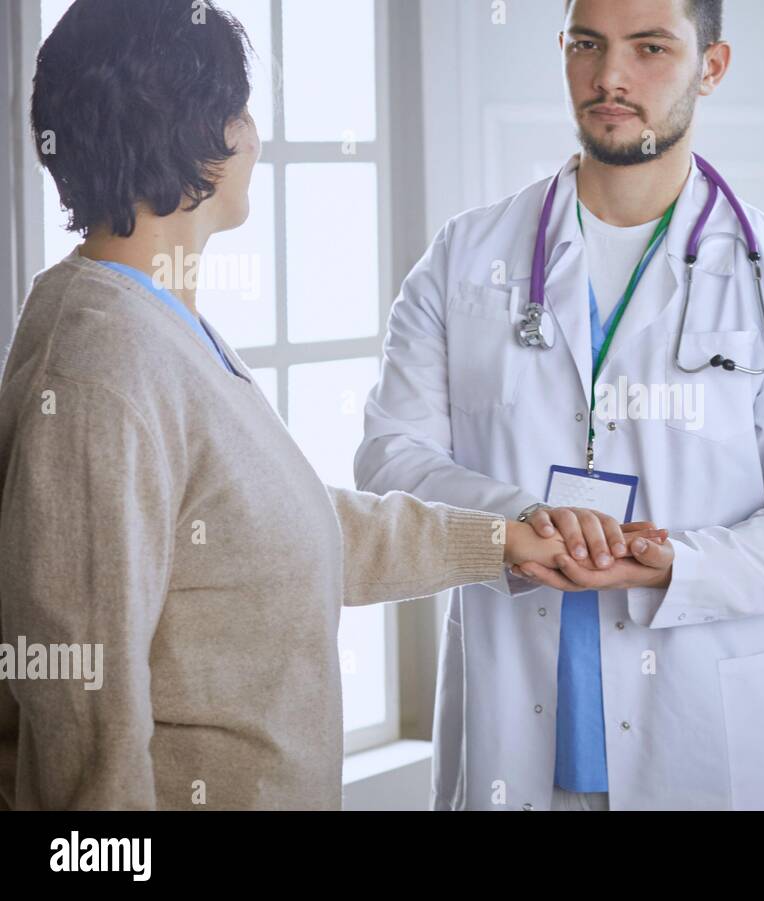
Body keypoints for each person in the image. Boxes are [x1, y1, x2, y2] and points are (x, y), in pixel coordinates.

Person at [0, 0, 609, 811]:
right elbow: (83, 731)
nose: (253, 135)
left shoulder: (155, 321)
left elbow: (276, 530)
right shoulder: (101, 368)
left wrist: (499, 540)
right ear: (196, 133)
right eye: (239, 110)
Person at [355, 0, 764, 811]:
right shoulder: (465, 261)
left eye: (650, 48)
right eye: (587, 45)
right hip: (516, 731)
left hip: (707, 736)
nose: (610, 77)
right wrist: (518, 522)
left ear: (712, 66)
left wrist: (688, 562)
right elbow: (390, 458)